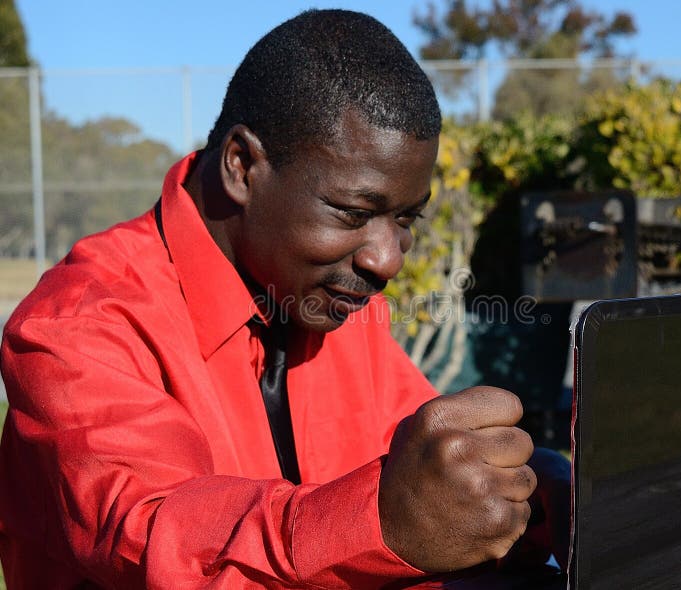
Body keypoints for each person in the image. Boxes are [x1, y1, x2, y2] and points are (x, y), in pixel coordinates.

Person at [0, 9, 569, 588]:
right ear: (242, 166)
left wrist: (528, 494)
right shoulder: (77, 327)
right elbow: (156, 542)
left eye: (406, 219)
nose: (388, 259)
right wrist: (378, 522)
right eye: (353, 213)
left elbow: (422, 473)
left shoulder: (336, 302)